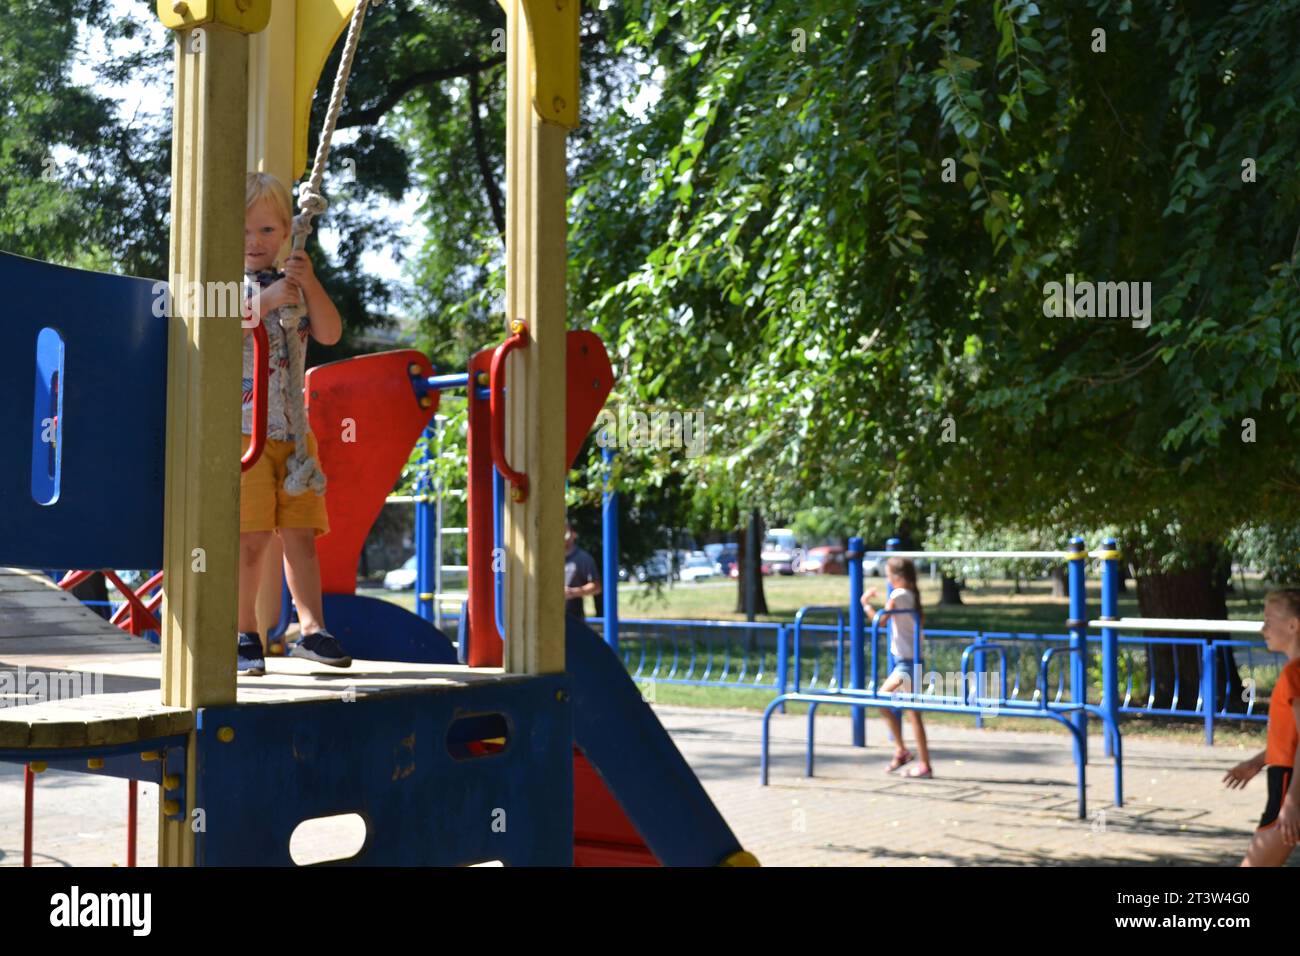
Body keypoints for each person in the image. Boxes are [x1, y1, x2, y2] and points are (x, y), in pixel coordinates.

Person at [236, 172, 350, 675]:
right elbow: (222, 322)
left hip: (294, 434)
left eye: (265, 231)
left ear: (286, 234)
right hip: (246, 432)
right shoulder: (222, 286)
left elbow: (329, 331)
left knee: (301, 534)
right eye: (242, 231)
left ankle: (311, 629)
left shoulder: (295, 286)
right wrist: (267, 299)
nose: (253, 242)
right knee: (251, 538)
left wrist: (306, 282)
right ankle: (244, 635)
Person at [1222, 588, 1300, 865]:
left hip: (1289, 785)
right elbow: (1290, 739)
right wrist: (1258, 761)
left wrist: (1291, 803)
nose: (1262, 627)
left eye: (1269, 620)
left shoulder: (1294, 674)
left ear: (1293, 625)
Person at [861, 556, 932, 778]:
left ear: (898, 578)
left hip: (907, 663)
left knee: (882, 698)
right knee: (912, 713)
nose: (888, 580)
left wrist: (865, 604)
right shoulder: (911, 595)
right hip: (912, 659)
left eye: (889, 576)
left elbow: (880, 621)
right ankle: (911, 756)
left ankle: (908, 753)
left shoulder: (898, 595)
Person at [563, 522, 601, 619]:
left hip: (573, 618)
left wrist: (572, 592)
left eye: (565, 531)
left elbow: (596, 587)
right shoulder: (550, 557)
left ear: (574, 534)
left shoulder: (583, 558)